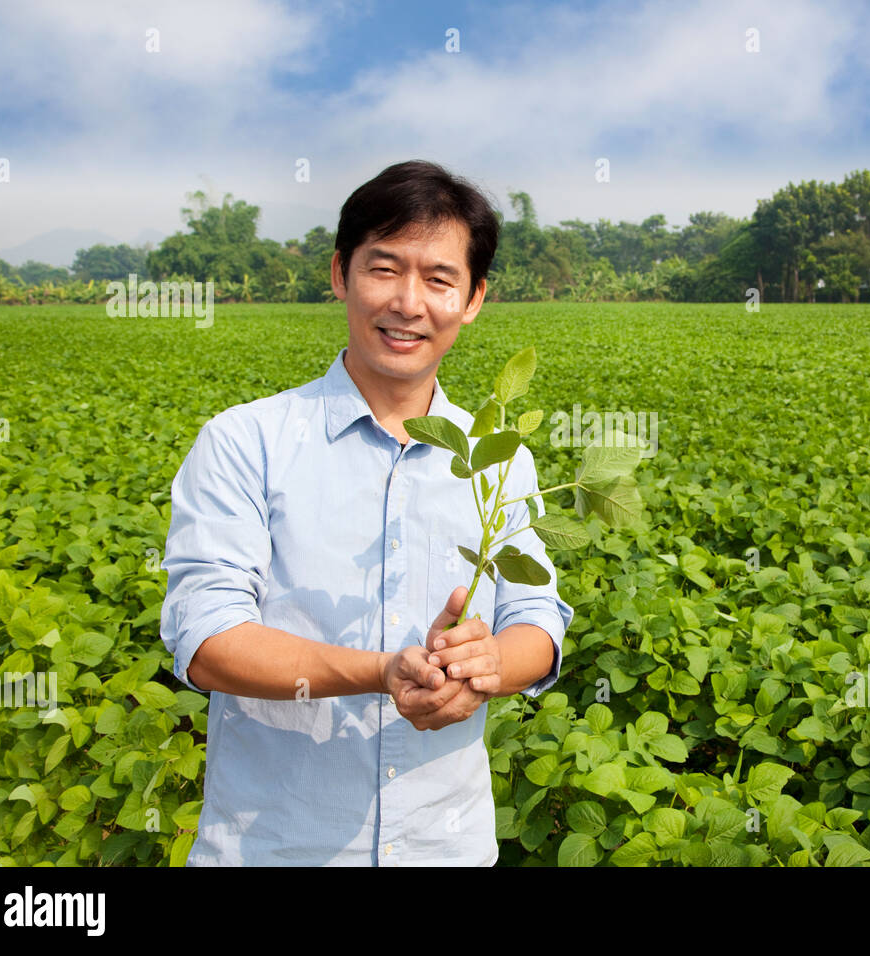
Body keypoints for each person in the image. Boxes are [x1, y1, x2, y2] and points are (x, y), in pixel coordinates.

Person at [159, 159, 573, 866]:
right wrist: (381, 671)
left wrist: (486, 665)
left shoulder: (497, 457)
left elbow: (537, 624)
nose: (409, 302)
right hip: (275, 849)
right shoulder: (245, 442)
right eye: (384, 268)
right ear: (339, 274)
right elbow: (207, 637)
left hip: (447, 848)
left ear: (474, 299)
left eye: (440, 279)